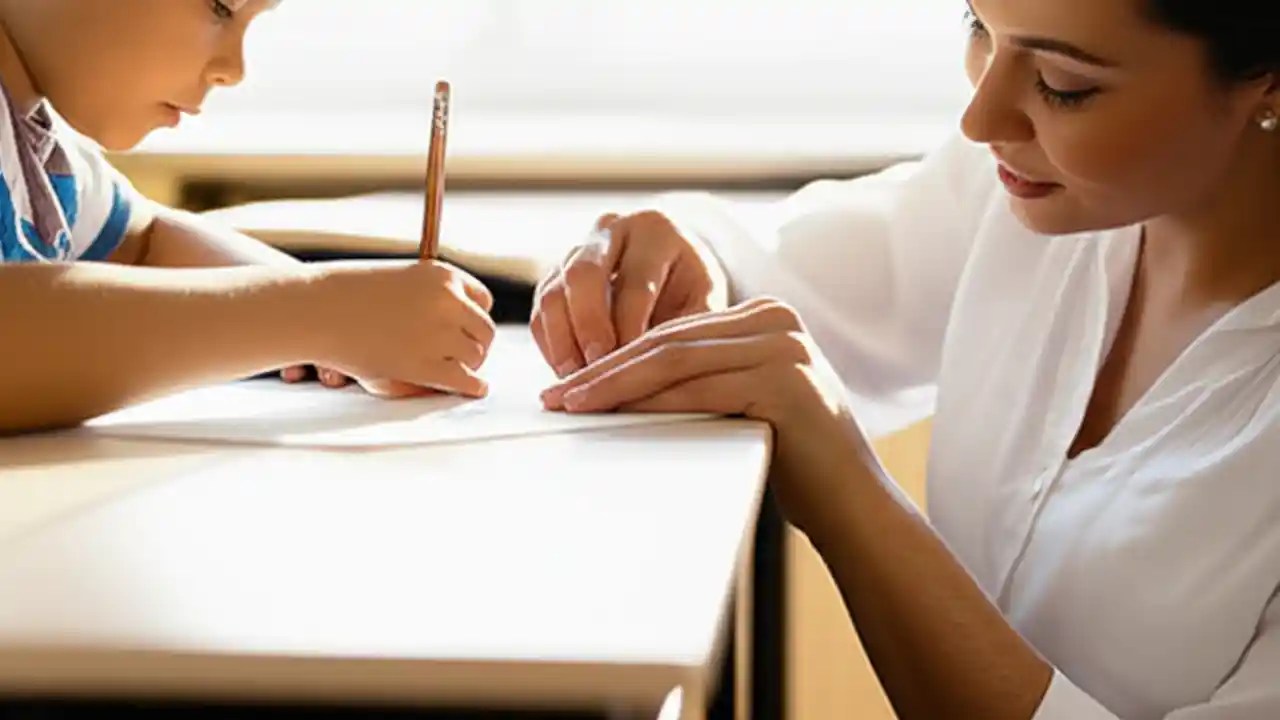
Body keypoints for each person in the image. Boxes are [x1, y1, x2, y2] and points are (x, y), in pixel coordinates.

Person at [532, 0, 1280, 717]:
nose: (980, 118)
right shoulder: (1030, 193)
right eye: (978, 27)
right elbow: (780, 272)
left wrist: (852, 500)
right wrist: (672, 261)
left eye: (1064, 87)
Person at [0, 0, 496, 435]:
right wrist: (316, 314)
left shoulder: (38, 151)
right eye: (220, 6)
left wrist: (362, 325)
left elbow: (145, 242)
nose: (233, 70)